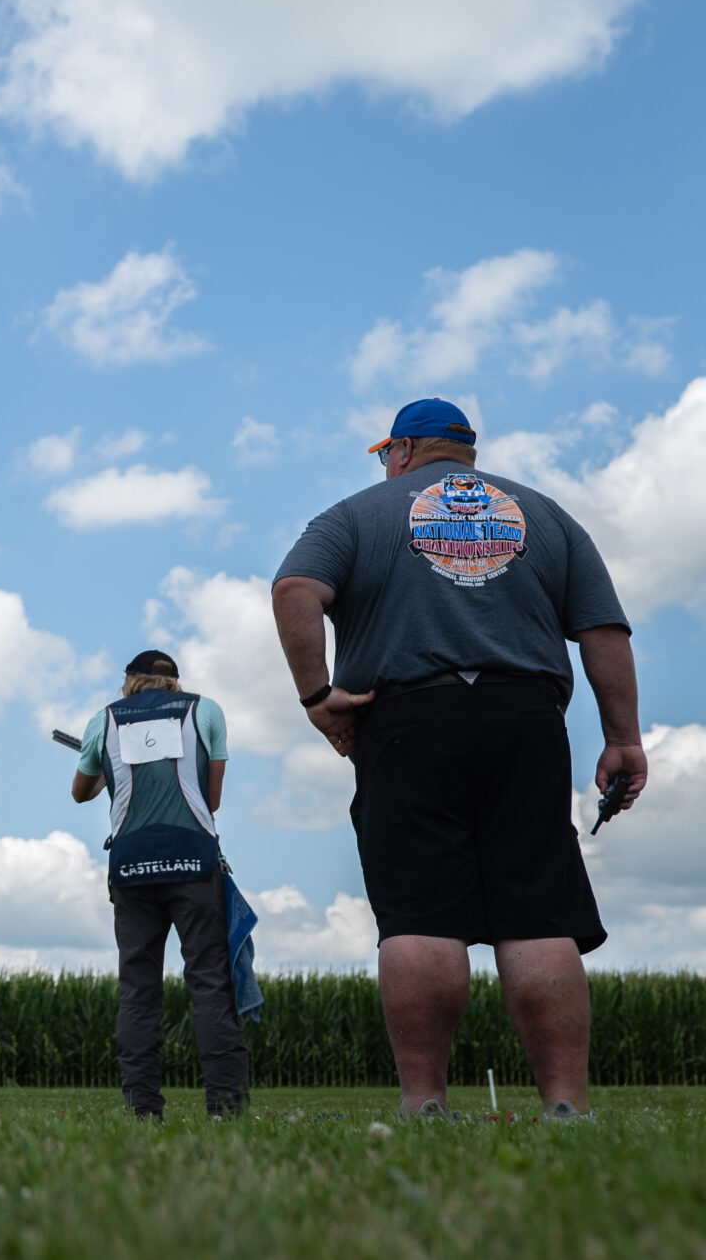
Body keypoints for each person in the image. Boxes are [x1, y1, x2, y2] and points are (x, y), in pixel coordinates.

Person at [271, 397, 647, 1122]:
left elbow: (295, 590)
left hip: (407, 718)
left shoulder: (355, 515)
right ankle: (566, 1104)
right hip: (525, 717)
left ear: (404, 449)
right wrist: (622, 736)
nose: (386, 464)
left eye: (386, 452)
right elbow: (603, 628)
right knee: (539, 911)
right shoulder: (547, 515)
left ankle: (424, 1102)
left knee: (418, 914)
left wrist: (318, 694)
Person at [71, 649, 249, 1121]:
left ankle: (143, 1114)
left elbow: (80, 791)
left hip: (130, 868)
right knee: (210, 984)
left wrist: (107, 770)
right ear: (174, 682)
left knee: (138, 991)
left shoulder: (101, 721)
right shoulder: (205, 710)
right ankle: (225, 1112)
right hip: (193, 861)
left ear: (130, 681)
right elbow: (211, 800)